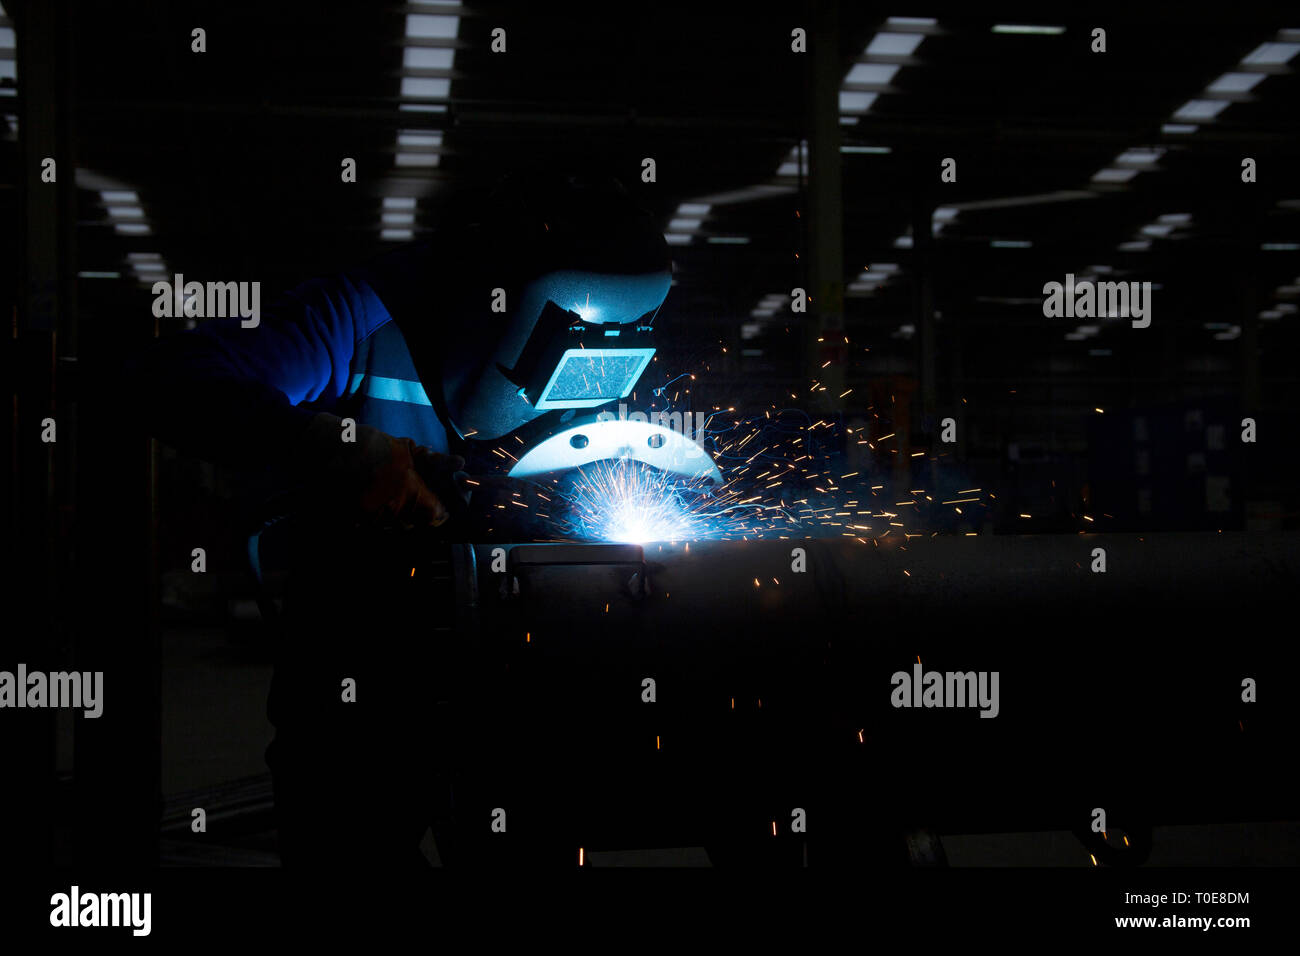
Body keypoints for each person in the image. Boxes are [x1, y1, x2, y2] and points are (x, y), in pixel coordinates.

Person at [129, 173, 673, 866]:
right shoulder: (363, 315)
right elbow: (167, 375)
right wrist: (332, 446)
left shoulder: (608, 342)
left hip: (522, 698)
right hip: (359, 690)